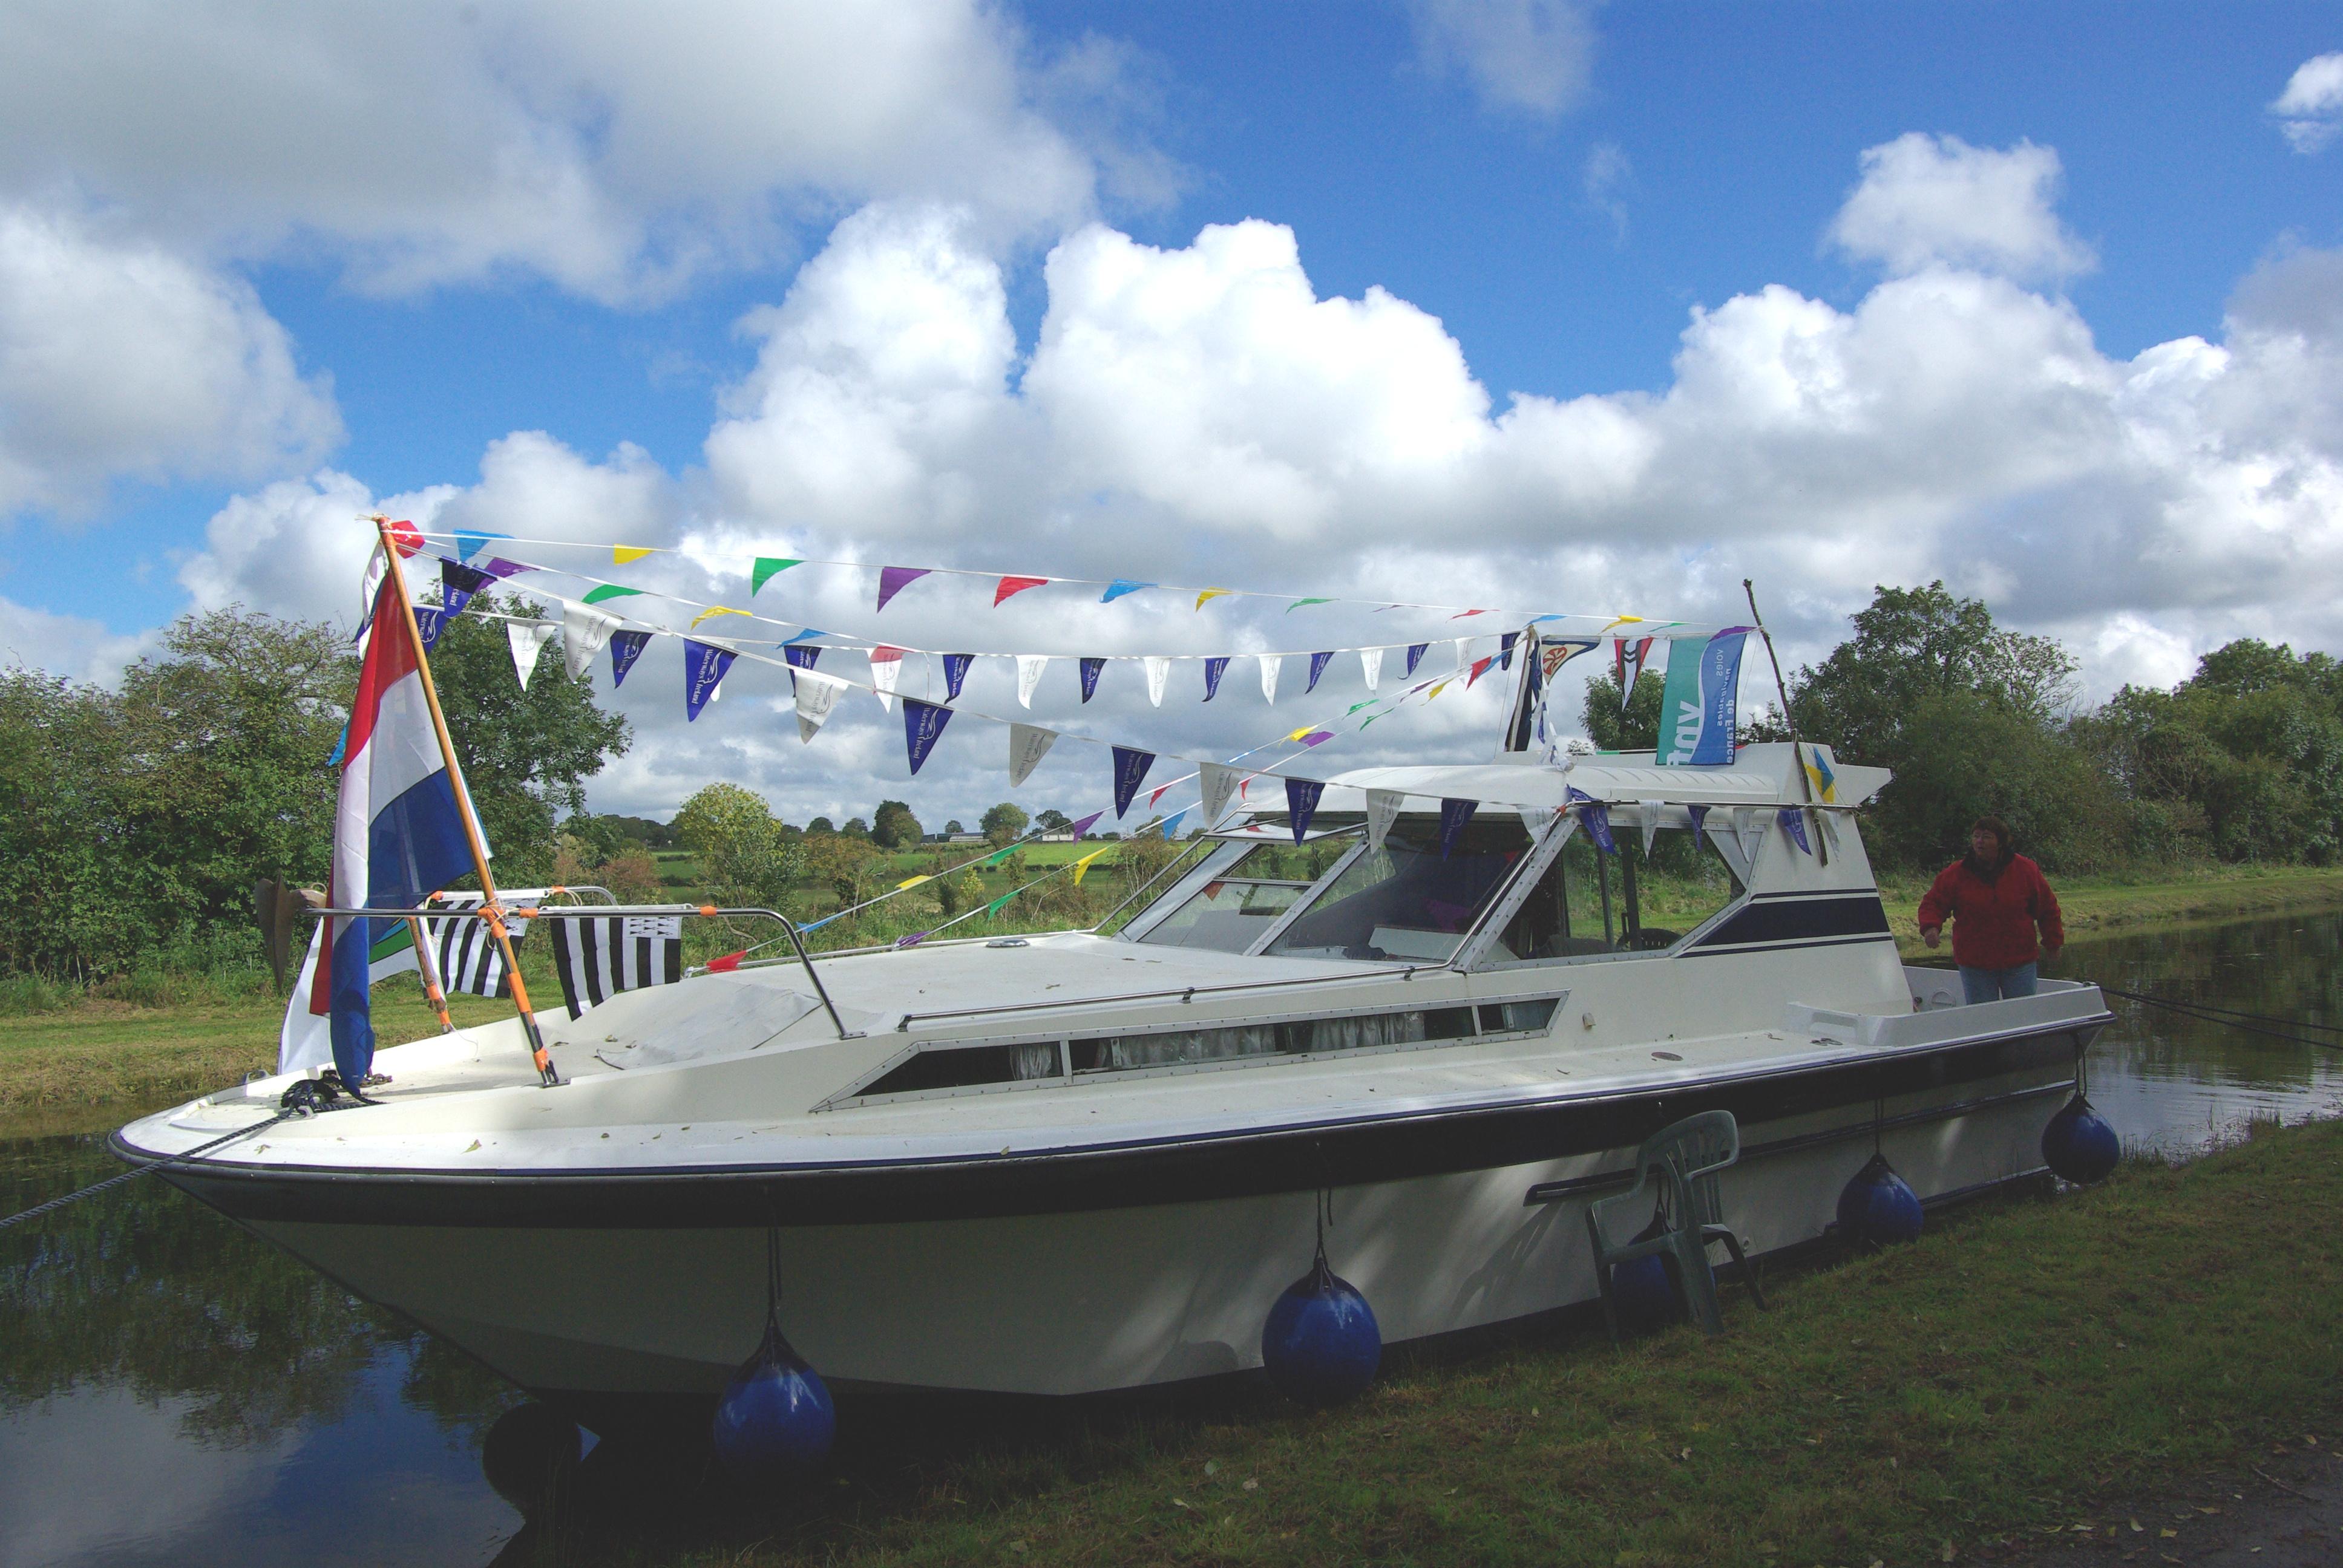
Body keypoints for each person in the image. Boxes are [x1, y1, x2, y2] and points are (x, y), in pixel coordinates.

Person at [1916, 815, 2063, 1004]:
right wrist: (1931, 927)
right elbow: (1933, 903)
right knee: (1983, 1018)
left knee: (2022, 1016)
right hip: (1976, 964)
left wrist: (2053, 943)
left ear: (2000, 842)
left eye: (1987, 837)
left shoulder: (2025, 870)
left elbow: (2048, 908)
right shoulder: (1956, 874)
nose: (1980, 841)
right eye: (1976, 836)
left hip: (2019, 961)